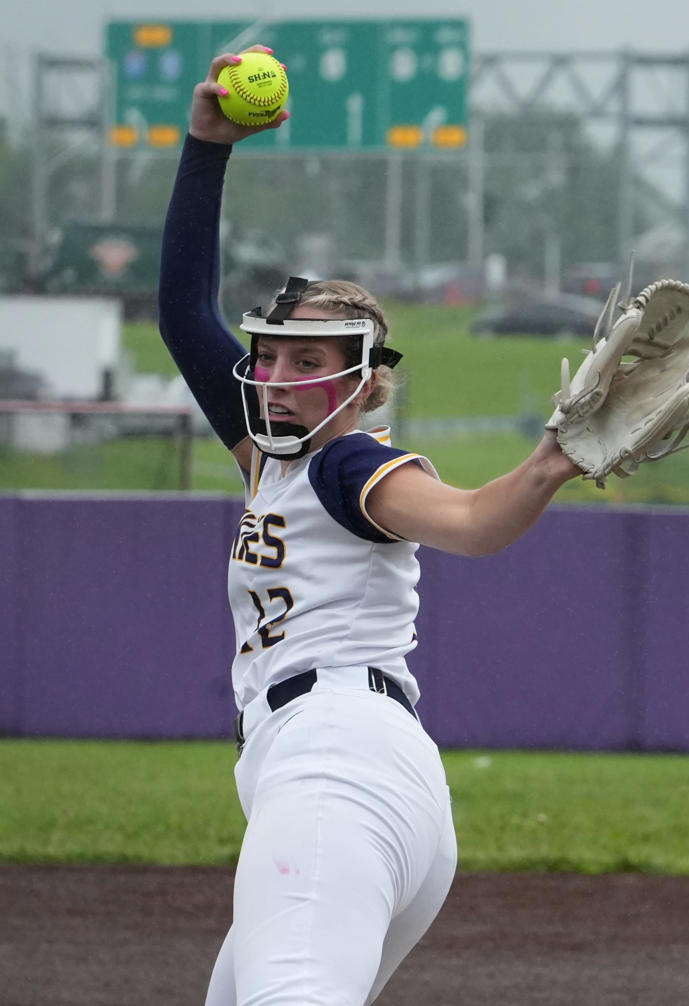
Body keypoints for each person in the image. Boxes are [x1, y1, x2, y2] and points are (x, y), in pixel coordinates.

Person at [158, 45, 580, 1006]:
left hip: (334, 769)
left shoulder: (347, 462)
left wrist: (546, 464)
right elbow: (183, 312)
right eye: (271, 356)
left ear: (360, 383)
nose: (277, 376)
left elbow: (469, 522)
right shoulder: (273, 458)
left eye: (308, 361)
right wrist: (206, 147)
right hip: (344, 777)